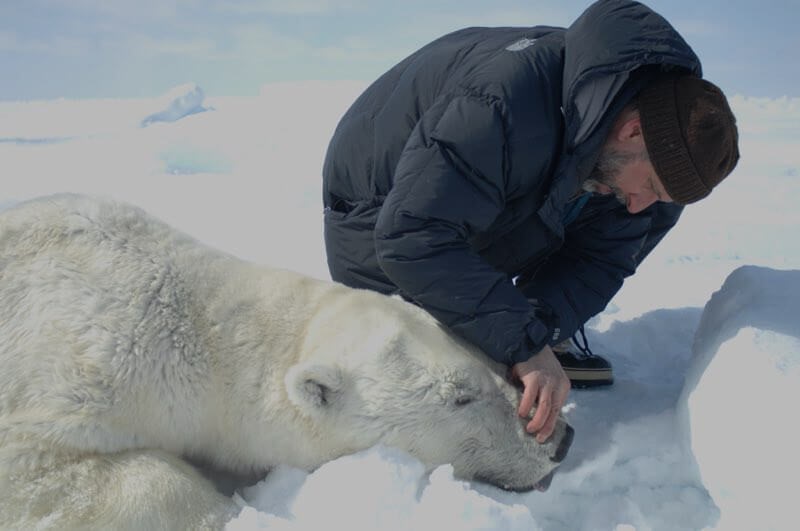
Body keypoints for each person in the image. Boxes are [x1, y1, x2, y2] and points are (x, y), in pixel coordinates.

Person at [321, 0, 739, 443]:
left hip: (469, 208)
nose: (643, 205)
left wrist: (536, 334)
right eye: (652, 185)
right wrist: (521, 345)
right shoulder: (503, 104)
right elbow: (412, 236)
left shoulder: (654, 160)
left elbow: (600, 260)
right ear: (632, 130)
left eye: (662, 198)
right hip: (375, 214)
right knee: (441, 372)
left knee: (603, 208)